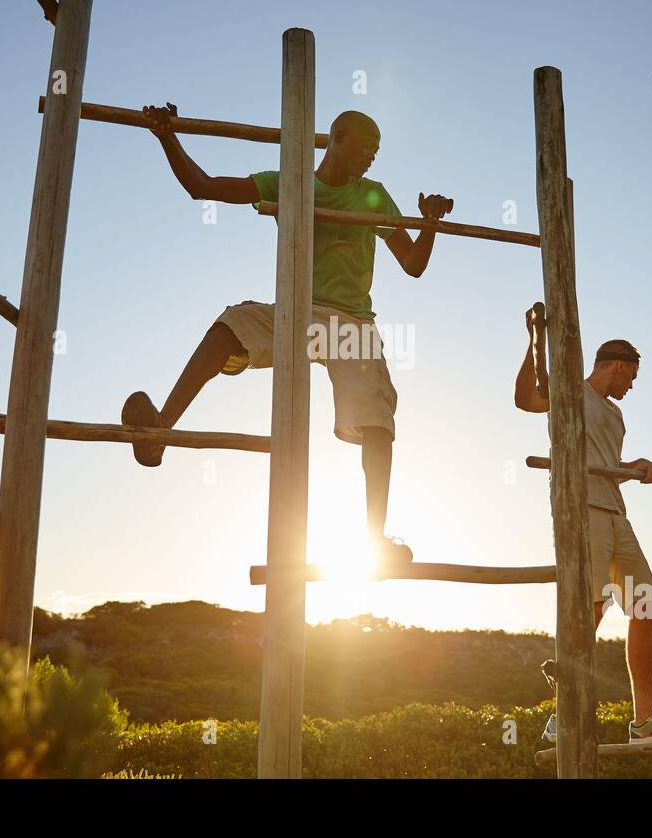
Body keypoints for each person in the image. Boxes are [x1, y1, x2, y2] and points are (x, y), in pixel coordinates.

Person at [121, 103, 453, 565]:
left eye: (377, 151)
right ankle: (160, 430)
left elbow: (413, 265)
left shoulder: (374, 195)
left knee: (377, 421)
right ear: (336, 138)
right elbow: (203, 187)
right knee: (230, 324)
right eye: (366, 146)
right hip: (296, 310)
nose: (372, 157)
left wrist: (430, 226)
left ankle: (374, 540)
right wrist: (166, 136)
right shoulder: (289, 182)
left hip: (351, 323)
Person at [515, 304, 652, 744]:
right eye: (630, 377)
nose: (631, 387)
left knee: (645, 603)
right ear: (617, 365)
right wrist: (534, 340)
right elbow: (526, 399)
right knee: (591, 605)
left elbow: (606, 463)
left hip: (616, 511)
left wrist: (633, 466)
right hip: (580, 509)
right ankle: (564, 712)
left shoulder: (615, 415)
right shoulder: (569, 391)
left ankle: (645, 720)